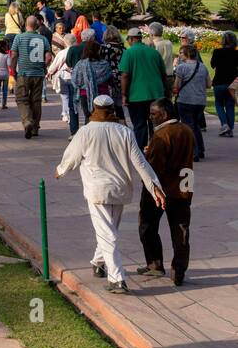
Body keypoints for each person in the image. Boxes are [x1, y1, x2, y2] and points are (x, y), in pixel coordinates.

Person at [55, 94, 166, 295]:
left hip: (98, 190)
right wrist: (154, 185)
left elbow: (71, 156)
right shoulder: (125, 132)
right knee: (109, 230)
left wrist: (61, 169)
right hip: (120, 190)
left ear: (94, 109)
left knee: (107, 232)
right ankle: (98, 263)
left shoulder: (86, 132)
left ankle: (117, 279)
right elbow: (140, 162)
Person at [137, 99, 194, 286]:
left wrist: (148, 154)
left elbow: (155, 167)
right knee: (181, 232)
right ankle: (178, 270)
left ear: (164, 114)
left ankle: (155, 264)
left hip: (161, 190)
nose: (150, 117)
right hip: (184, 189)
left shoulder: (162, 134)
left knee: (147, 226)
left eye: (154, 114)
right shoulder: (186, 130)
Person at [119, 27, 170, 148]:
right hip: (156, 94)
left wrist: (124, 94)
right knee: (156, 125)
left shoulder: (129, 53)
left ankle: (140, 152)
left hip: (136, 96)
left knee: (139, 125)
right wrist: (165, 91)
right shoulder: (154, 52)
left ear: (131, 39)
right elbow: (164, 74)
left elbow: (125, 75)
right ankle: (156, 150)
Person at [10, 16, 51, 139]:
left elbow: (13, 56)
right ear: (37, 25)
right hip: (38, 74)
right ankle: (35, 128)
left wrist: (13, 71)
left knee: (22, 99)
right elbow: (48, 57)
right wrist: (44, 66)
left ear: (26, 24)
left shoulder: (19, 37)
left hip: (24, 73)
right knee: (36, 101)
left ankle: (27, 121)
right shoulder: (43, 39)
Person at [173, 44, 210, 161]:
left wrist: (174, 91)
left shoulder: (181, 67)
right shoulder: (203, 67)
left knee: (188, 127)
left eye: (181, 53)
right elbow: (209, 84)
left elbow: (176, 86)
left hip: (185, 100)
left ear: (187, 54)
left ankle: (193, 152)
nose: (179, 55)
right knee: (196, 125)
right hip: (200, 101)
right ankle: (201, 149)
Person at [211, 31, 237, 137]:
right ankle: (229, 129)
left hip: (219, 82)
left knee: (219, 104)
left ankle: (224, 124)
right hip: (232, 83)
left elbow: (212, 65)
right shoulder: (237, 53)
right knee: (230, 105)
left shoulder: (217, 52)